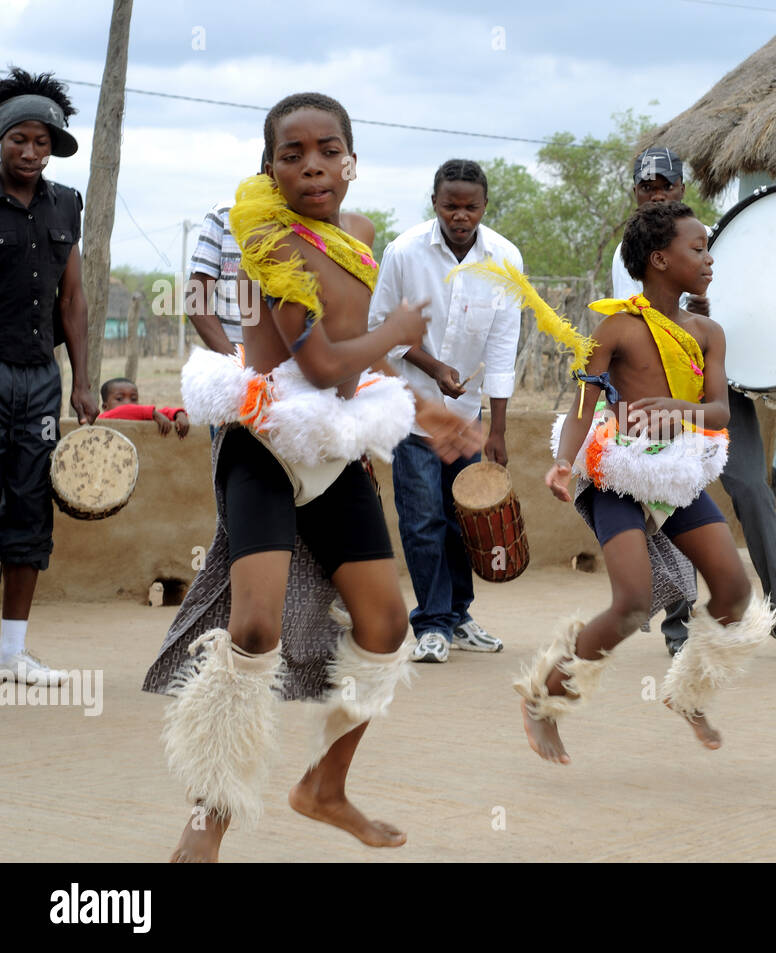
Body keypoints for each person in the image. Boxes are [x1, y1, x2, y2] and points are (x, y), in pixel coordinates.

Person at [142, 92, 480, 862]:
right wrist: (398, 333)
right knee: (253, 630)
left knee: (388, 626)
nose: (312, 165)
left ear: (352, 161)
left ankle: (324, 787)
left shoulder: (360, 236)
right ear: (269, 169)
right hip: (263, 445)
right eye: (291, 154)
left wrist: (424, 408)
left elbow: (353, 368)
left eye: (328, 149)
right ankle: (207, 823)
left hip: (333, 452)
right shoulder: (271, 245)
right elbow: (322, 363)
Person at [519, 200, 776, 765]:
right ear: (660, 259)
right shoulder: (615, 327)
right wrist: (564, 461)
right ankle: (545, 697)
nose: (709, 259)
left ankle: (688, 693)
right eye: (698, 247)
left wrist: (672, 407)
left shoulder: (708, 332)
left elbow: (718, 413)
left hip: (674, 470)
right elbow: (584, 403)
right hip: (618, 470)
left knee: (734, 591)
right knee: (632, 603)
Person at [610, 146, 776, 661]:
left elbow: (752, 315)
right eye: (646, 188)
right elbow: (635, 325)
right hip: (658, 401)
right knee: (663, 496)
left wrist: (707, 311)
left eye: (666, 187)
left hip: (718, 393)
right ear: (636, 194)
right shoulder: (628, 254)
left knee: (752, 492)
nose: (656, 194)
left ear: (682, 190)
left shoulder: (714, 241)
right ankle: (677, 621)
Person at [368, 159, 522, 663]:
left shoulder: (504, 258)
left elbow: (502, 346)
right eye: (450, 205)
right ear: (434, 202)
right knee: (422, 519)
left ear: (484, 206)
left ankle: (459, 616)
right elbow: (383, 329)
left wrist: (496, 428)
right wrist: (434, 367)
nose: (460, 216)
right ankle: (431, 624)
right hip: (412, 414)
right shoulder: (404, 252)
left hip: (469, 418)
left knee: (464, 519)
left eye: (470, 207)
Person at [0, 67, 95, 688]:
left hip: (40, 378)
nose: (31, 153)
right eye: (19, 140)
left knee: (32, 506)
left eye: (43, 142)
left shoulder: (65, 204)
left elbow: (73, 301)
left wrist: (84, 380)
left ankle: (12, 653)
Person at [184, 199, 243, 357]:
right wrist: (235, 362)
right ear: (269, 172)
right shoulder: (226, 215)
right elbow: (195, 300)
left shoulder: (313, 219)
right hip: (238, 367)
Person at [98, 377, 190, 437]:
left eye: (133, 399)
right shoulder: (103, 419)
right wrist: (154, 414)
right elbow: (125, 410)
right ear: (105, 407)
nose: (128, 403)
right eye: (119, 399)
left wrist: (179, 414)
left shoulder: (140, 417)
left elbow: (162, 413)